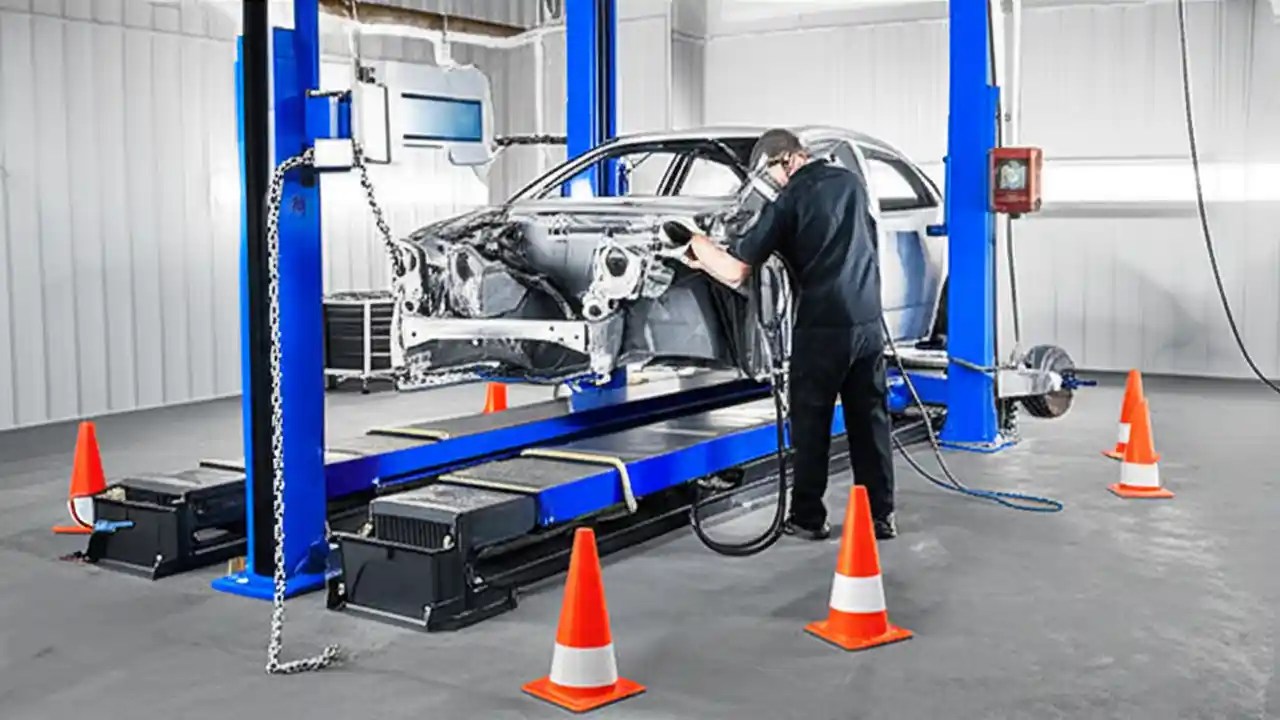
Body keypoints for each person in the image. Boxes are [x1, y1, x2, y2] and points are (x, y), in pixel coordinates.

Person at [667, 129, 897, 541]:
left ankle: (809, 517)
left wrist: (699, 246)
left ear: (787, 159)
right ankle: (881, 516)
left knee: (811, 423)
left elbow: (737, 270)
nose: (770, 181)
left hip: (821, 327)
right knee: (870, 420)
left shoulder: (788, 200)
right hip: (866, 322)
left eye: (769, 171)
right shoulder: (851, 183)